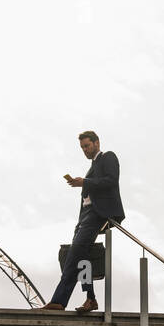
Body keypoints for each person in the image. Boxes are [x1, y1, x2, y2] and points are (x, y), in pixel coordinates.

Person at [40, 130, 125, 313]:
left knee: (74, 253)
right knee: (80, 258)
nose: (85, 150)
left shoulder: (108, 157)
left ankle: (59, 300)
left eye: (87, 145)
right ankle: (90, 298)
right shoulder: (91, 167)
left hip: (97, 214)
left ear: (97, 143)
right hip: (85, 217)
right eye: (82, 148)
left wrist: (85, 182)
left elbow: (111, 180)